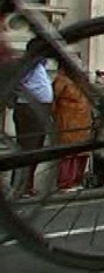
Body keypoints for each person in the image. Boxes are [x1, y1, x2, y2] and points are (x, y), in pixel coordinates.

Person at [11, 38, 53, 197]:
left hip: (41, 109)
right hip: (29, 109)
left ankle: (27, 185)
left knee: (36, 148)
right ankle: (19, 186)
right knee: (27, 148)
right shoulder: (27, 64)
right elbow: (15, 83)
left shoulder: (39, 65)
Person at [52, 60, 93, 192]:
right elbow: (53, 101)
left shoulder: (81, 82)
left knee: (82, 152)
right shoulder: (62, 80)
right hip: (68, 121)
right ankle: (66, 182)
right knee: (69, 153)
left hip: (83, 121)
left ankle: (77, 179)